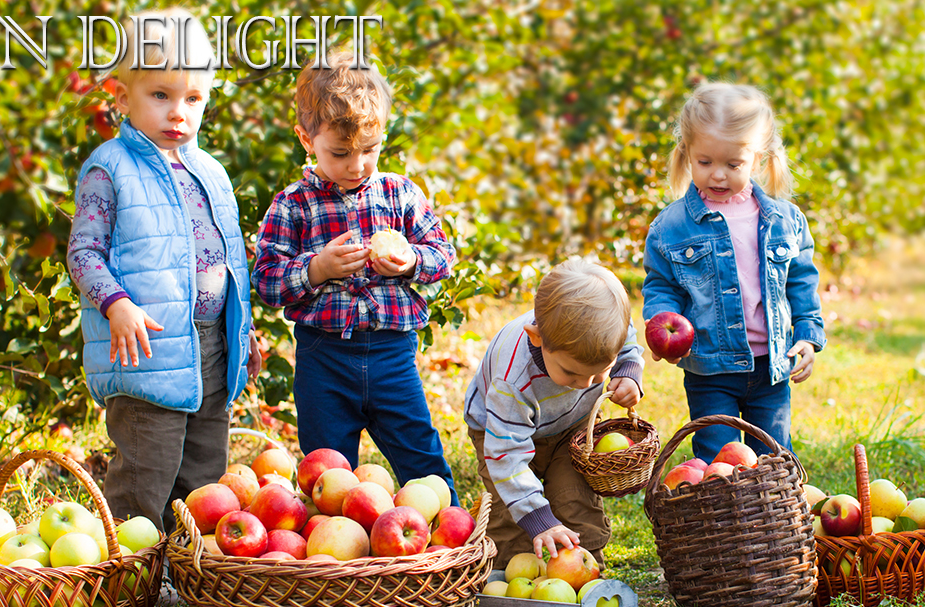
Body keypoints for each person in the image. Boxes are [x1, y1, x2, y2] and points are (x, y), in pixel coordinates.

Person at [67, 9, 259, 534]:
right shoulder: (111, 168)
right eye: (160, 96)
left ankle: (186, 575)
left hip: (212, 345)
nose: (178, 112)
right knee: (146, 475)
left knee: (203, 476)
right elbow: (84, 253)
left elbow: (229, 261)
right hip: (145, 346)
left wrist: (243, 332)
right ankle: (130, 580)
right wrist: (116, 304)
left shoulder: (212, 173)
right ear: (123, 97)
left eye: (192, 99)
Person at [252, 52, 459, 504]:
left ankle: (455, 556)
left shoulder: (399, 194)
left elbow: (443, 255)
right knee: (325, 476)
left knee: (423, 463)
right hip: (322, 359)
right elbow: (266, 279)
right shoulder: (294, 204)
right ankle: (336, 566)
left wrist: (410, 261)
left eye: (370, 149)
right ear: (307, 140)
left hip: (391, 355)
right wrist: (316, 269)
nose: (358, 164)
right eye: (340, 153)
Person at [642, 82, 826, 464]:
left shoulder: (784, 220)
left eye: (733, 164)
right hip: (709, 368)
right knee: (718, 462)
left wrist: (807, 337)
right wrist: (661, 325)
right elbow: (662, 285)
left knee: (775, 458)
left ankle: (776, 522)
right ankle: (724, 524)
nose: (718, 176)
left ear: (757, 160)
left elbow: (801, 280)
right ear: (687, 154)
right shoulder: (672, 226)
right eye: (705, 162)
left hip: (771, 368)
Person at [464, 259, 644, 567]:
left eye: (599, 373)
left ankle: (585, 571)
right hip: (501, 431)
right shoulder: (513, 379)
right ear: (537, 339)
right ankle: (512, 576)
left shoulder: (608, 329)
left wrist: (628, 371)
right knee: (512, 515)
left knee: (575, 498)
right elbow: (507, 457)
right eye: (572, 373)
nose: (585, 385)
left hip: (570, 425)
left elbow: (626, 341)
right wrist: (538, 518)